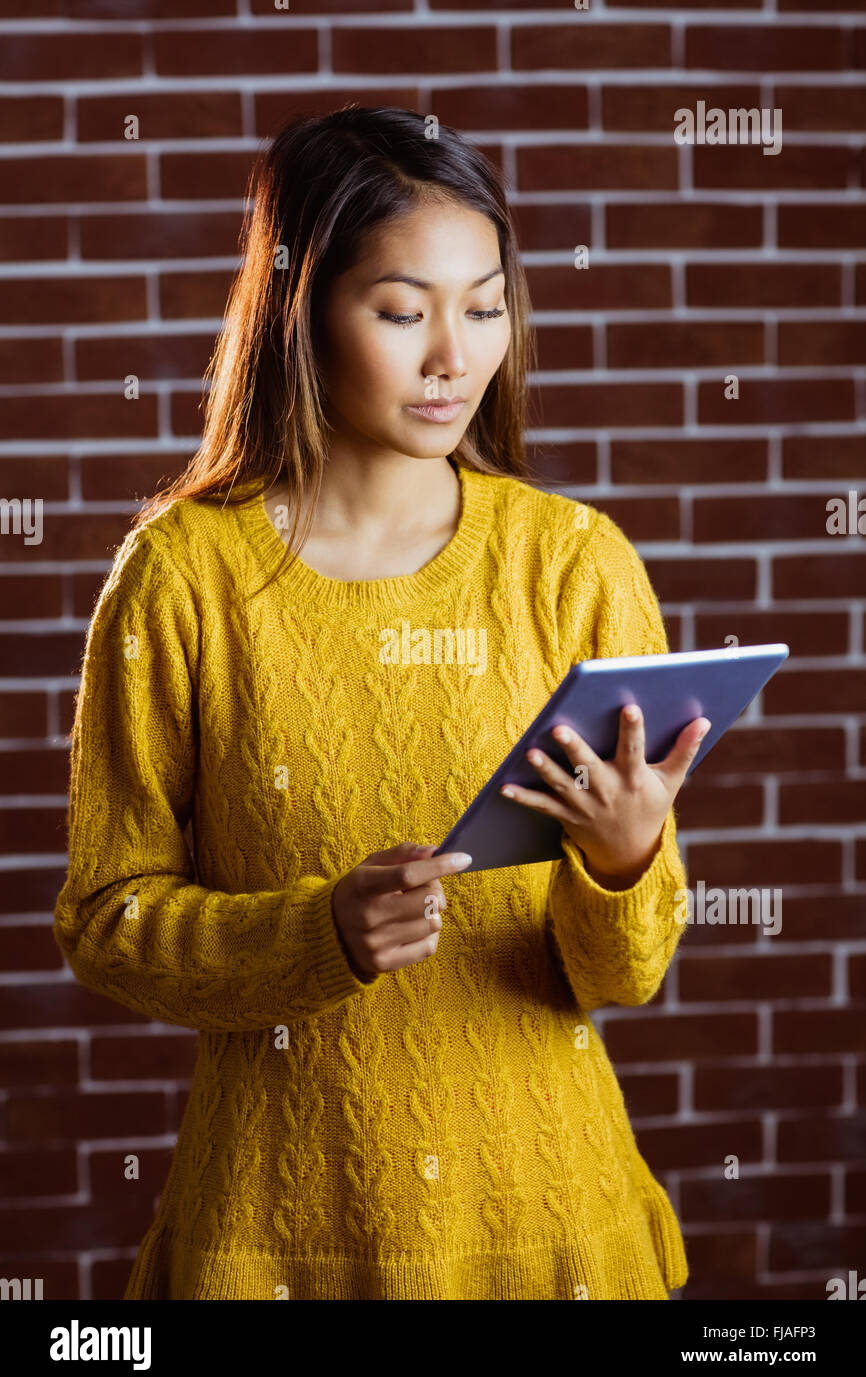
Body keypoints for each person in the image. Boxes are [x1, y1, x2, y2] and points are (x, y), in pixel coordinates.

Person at [53, 105, 709, 1301]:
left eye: (486, 305)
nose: (453, 356)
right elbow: (106, 918)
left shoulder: (571, 563)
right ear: (299, 313)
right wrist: (315, 937)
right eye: (403, 312)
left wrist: (623, 861)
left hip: (550, 1230)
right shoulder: (180, 577)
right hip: (274, 1240)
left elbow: (622, 974)